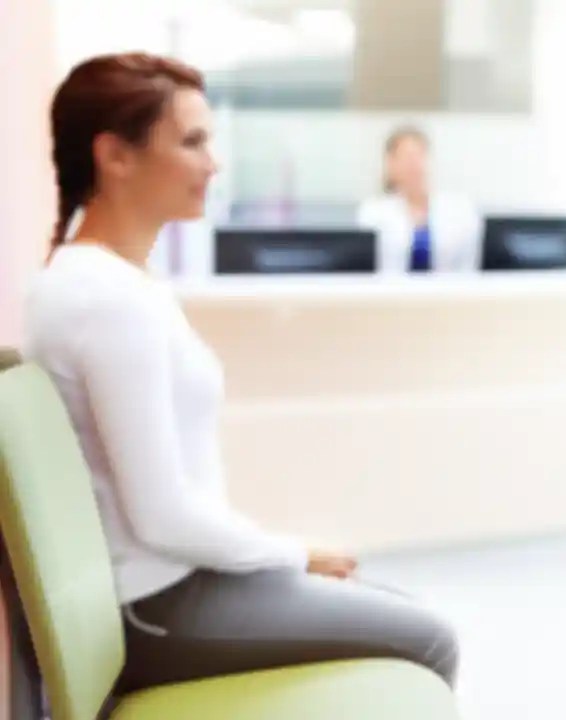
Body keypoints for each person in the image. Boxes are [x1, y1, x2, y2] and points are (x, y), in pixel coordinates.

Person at [22, 53, 459, 695]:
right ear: (115, 155)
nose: (213, 163)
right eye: (193, 142)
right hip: (159, 605)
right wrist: (294, 552)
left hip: (173, 585)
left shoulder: (93, 281)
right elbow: (162, 516)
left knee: (402, 612)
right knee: (430, 637)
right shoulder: (108, 299)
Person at [357, 126, 482, 275]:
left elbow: (470, 264)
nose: (413, 164)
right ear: (390, 164)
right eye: (405, 157)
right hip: (391, 294)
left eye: (418, 155)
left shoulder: (458, 208)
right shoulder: (373, 211)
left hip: (448, 294)